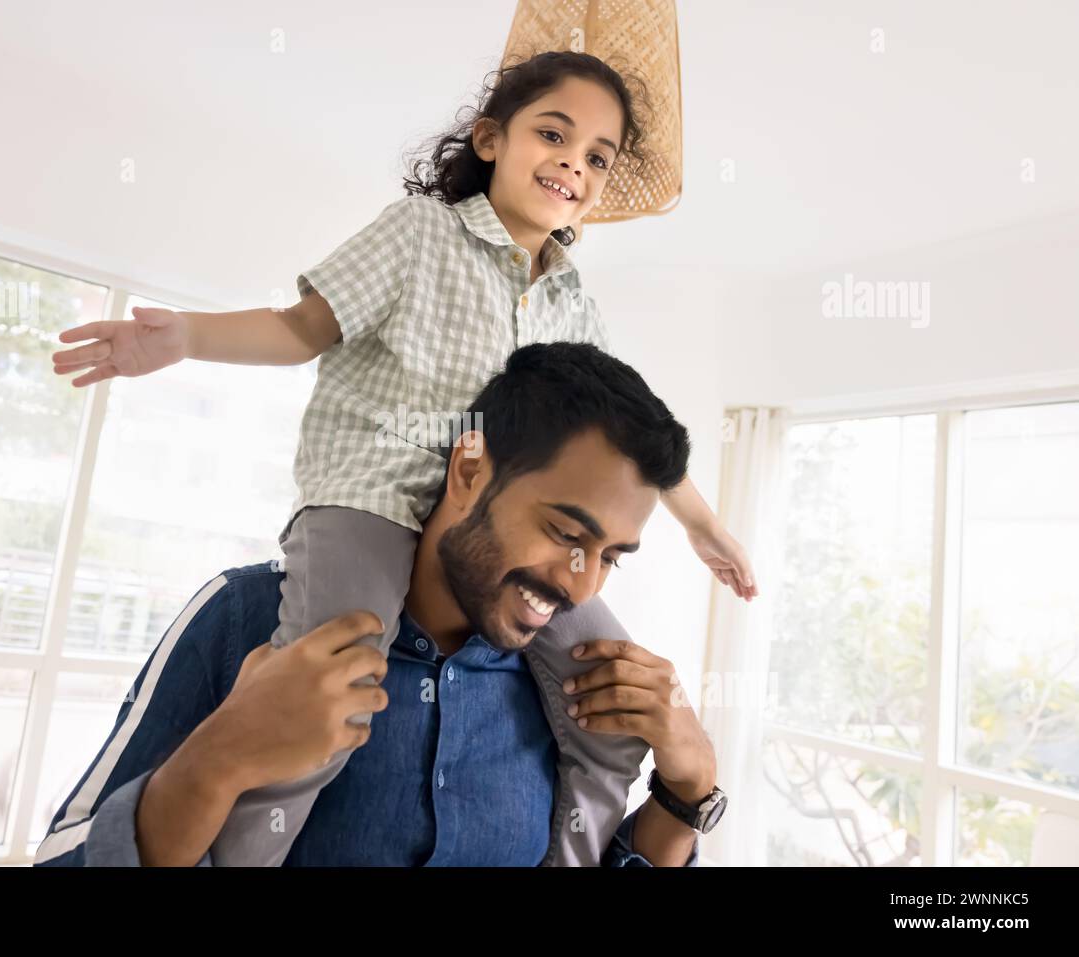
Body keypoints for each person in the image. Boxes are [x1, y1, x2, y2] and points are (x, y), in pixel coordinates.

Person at [50, 51, 755, 866]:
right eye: (553, 134)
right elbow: (302, 328)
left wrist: (702, 526)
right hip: (372, 499)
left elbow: (629, 441)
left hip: (489, 532)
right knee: (330, 689)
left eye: (597, 156)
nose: (574, 162)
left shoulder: (572, 303)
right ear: (490, 139)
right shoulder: (421, 234)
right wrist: (186, 338)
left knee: (605, 696)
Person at [34, 342, 719, 867]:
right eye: (566, 535)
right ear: (469, 470)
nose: (581, 584)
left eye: (611, 556)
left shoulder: (574, 688)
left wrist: (688, 787)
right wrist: (217, 759)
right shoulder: (245, 619)